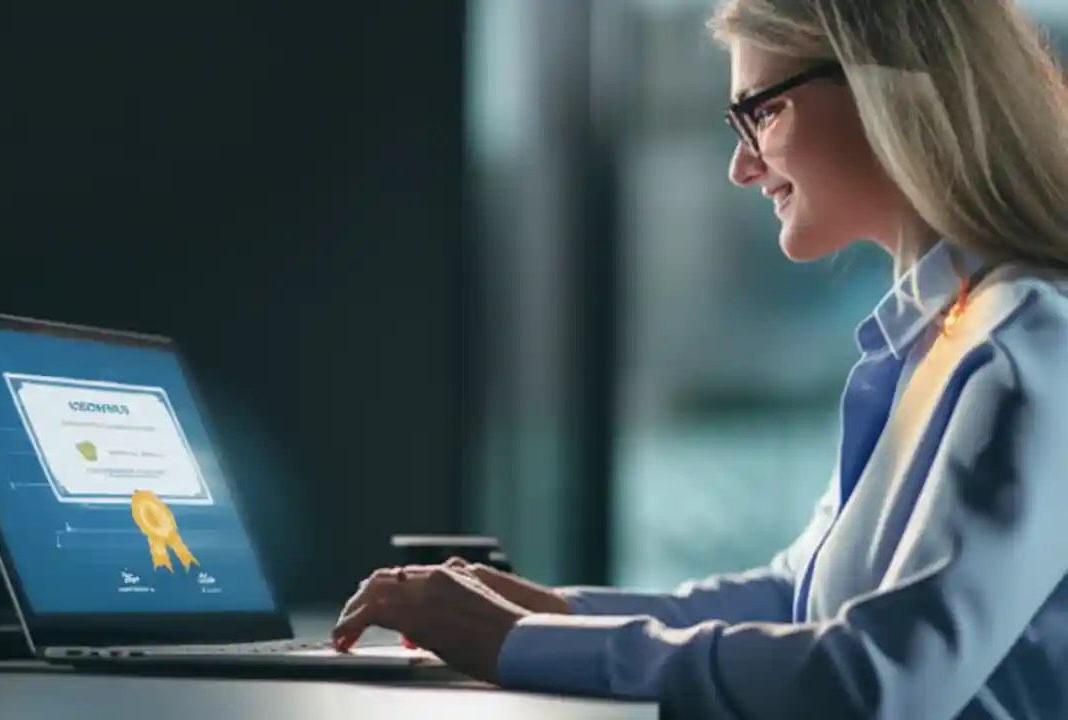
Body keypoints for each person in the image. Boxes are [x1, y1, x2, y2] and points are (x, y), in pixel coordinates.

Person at [331, 1, 1068, 717]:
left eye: (764, 112)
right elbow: (796, 597)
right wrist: (551, 615)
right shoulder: (945, 339)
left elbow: (880, 680)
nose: (741, 167)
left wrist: (522, 642)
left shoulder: (1026, 349)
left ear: (891, 89)